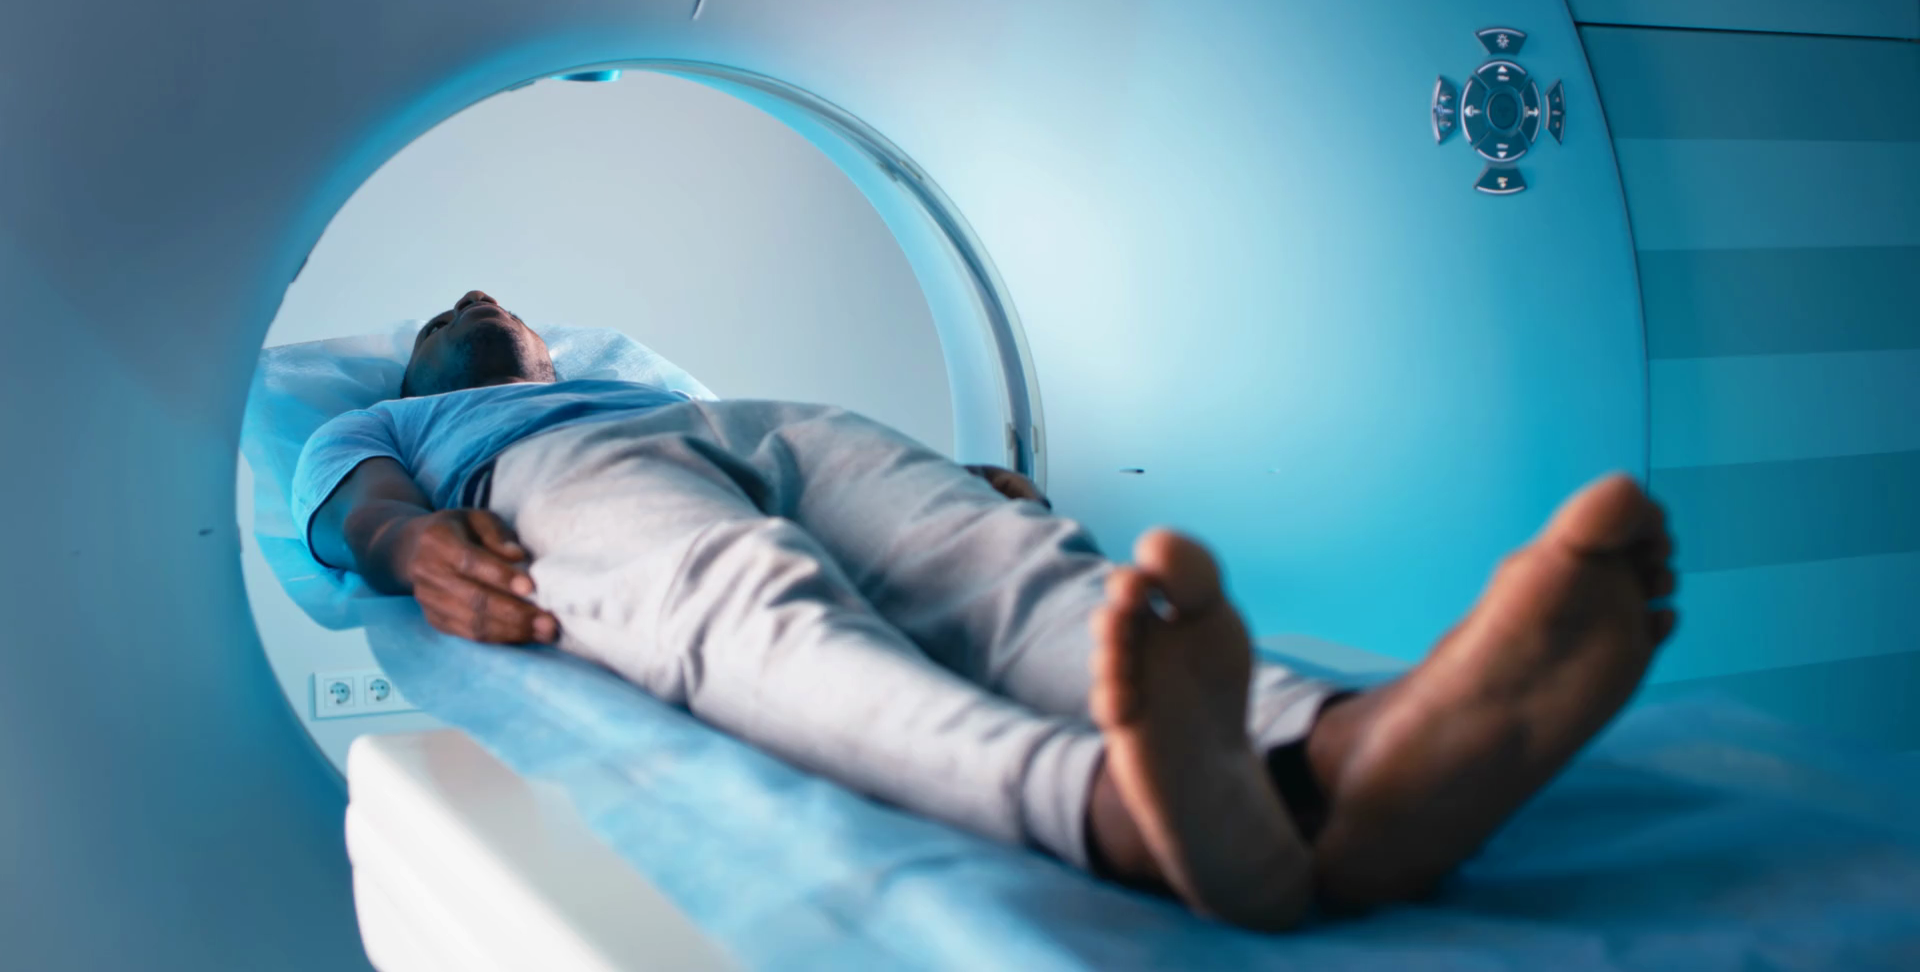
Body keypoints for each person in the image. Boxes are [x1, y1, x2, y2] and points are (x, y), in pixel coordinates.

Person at [295, 290, 1678, 930]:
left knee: (994, 558)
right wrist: (419, 543)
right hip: (548, 481)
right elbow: (353, 517)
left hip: (750, 421)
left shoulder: (650, 369)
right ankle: (1119, 812)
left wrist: (954, 478)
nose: (490, 304)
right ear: (433, 360)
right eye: (463, 308)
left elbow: (909, 514)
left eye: (511, 307)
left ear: (556, 344)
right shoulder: (404, 418)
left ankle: (1337, 756)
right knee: (747, 606)